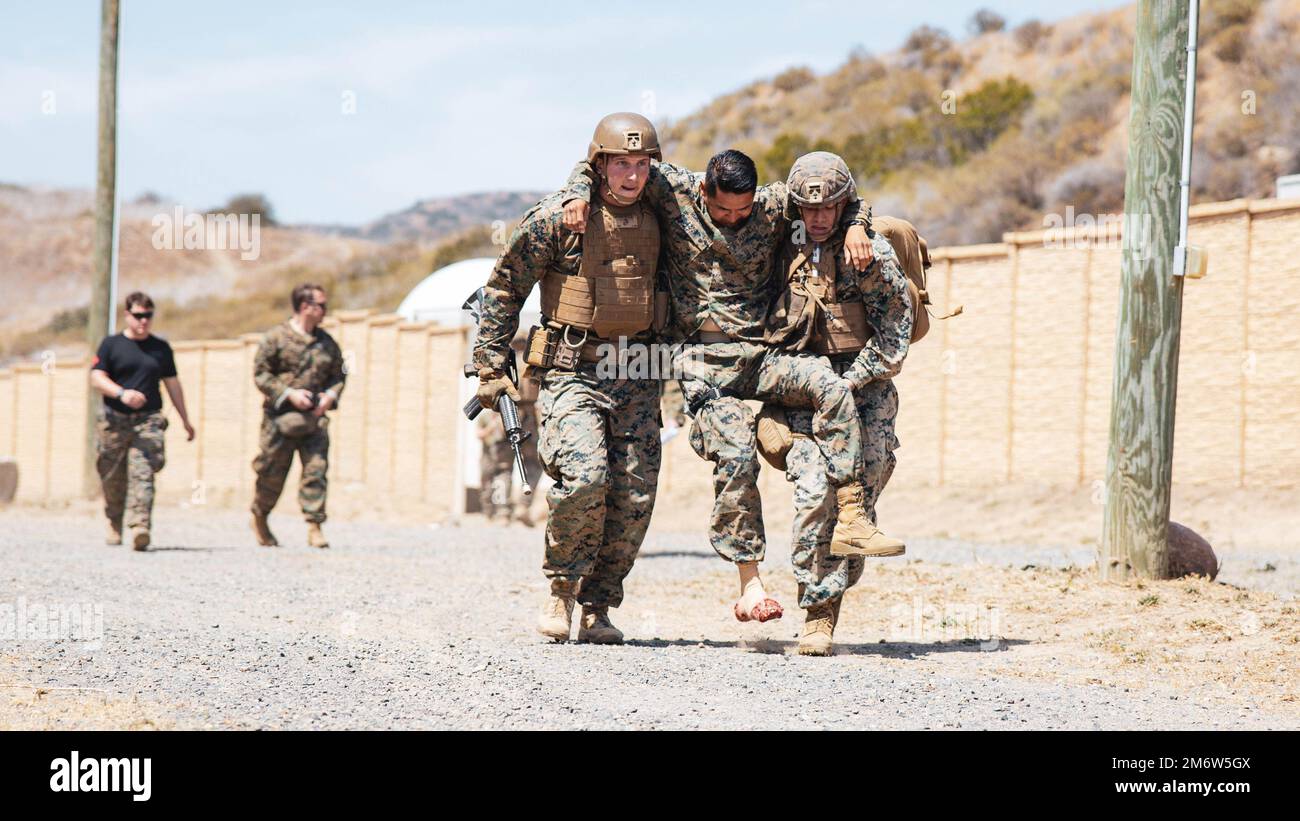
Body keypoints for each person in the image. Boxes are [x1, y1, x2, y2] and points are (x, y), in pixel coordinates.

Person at [561, 148, 901, 624]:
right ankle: (751, 584)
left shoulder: (772, 204)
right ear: (704, 191)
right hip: (700, 359)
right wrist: (577, 193)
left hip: (760, 355)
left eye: (743, 211)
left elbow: (833, 199)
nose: (735, 219)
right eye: (724, 211)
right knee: (736, 452)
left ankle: (852, 515)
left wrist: (861, 223)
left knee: (830, 386)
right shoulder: (674, 190)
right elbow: (611, 164)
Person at [473, 112, 665, 644]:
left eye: (641, 164)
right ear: (599, 164)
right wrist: (490, 365)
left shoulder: (666, 216)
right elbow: (505, 286)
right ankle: (561, 588)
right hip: (572, 369)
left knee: (633, 495)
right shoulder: (561, 219)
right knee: (584, 476)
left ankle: (598, 606)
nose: (631, 175)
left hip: (640, 372)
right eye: (620, 164)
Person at [760, 152, 916, 655]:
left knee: (861, 497)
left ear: (845, 201)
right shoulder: (779, 246)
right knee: (815, 493)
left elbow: (895, 335)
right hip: (802, 391)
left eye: (830, 207)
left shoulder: (870, 253)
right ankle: (818, 612)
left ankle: (831, 591)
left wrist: (850, 382)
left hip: (864, 391)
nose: (820, 217)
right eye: (809, 209)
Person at [89, 291, 196, 551]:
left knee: (143, 472)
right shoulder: (111, 345)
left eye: (148, 316)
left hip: (148, 421)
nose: (143, 321)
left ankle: (140, 526)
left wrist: (185, 420)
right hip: (115, 420)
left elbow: (173, 385)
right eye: (138, 316)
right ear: (127, 315)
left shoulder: (160, 348)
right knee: (113, 476)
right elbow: (96, 377)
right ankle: (114, 521)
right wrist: (121, 394)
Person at [250, 283, 346, 549]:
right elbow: (261, 374)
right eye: (321, 305)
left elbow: (339, 375)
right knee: (271, 474)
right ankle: (260, 516)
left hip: (314, 421)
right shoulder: (275, 338)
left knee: (316, 471)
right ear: (306, 307)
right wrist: (289, 394)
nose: (326, 310)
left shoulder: (327, 343)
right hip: (279, 421)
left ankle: (314, 527)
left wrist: (329, 396)